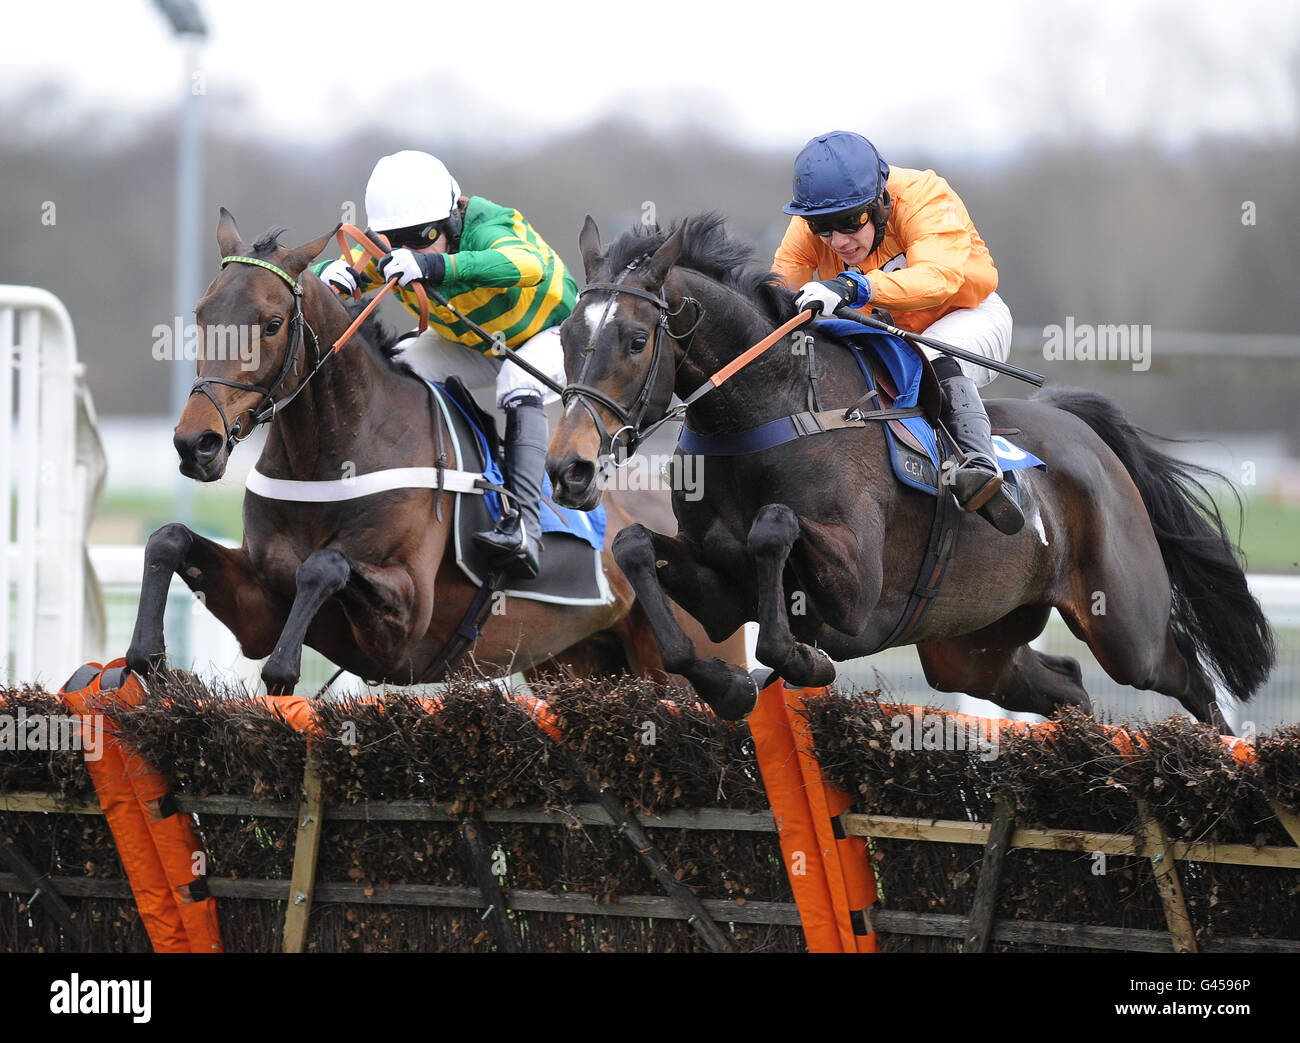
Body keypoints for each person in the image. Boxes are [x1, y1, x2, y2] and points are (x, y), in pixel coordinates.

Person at [316, 150, 577, 577]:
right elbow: (320, 272)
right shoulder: (397, 245)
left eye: (420, 236)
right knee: (399, 364)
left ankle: (526, 527)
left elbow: (526, 265)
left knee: (516, 382)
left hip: (555, 333)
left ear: (452, 220)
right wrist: (328, 275)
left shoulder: (490, 223)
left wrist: (432, 264)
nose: (404, 250)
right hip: (478, 343)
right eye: (394, 239)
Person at [773, 131, 1024, 535]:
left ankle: (981, 468)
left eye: (850, 222)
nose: (838, 241)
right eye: (822, 227)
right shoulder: (807, 229)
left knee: (935, 357)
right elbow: (777, 302)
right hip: (888, 338)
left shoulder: (924, 196)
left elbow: (939, 278)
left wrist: (854, 286)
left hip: (968, 316)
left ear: (879, 203)